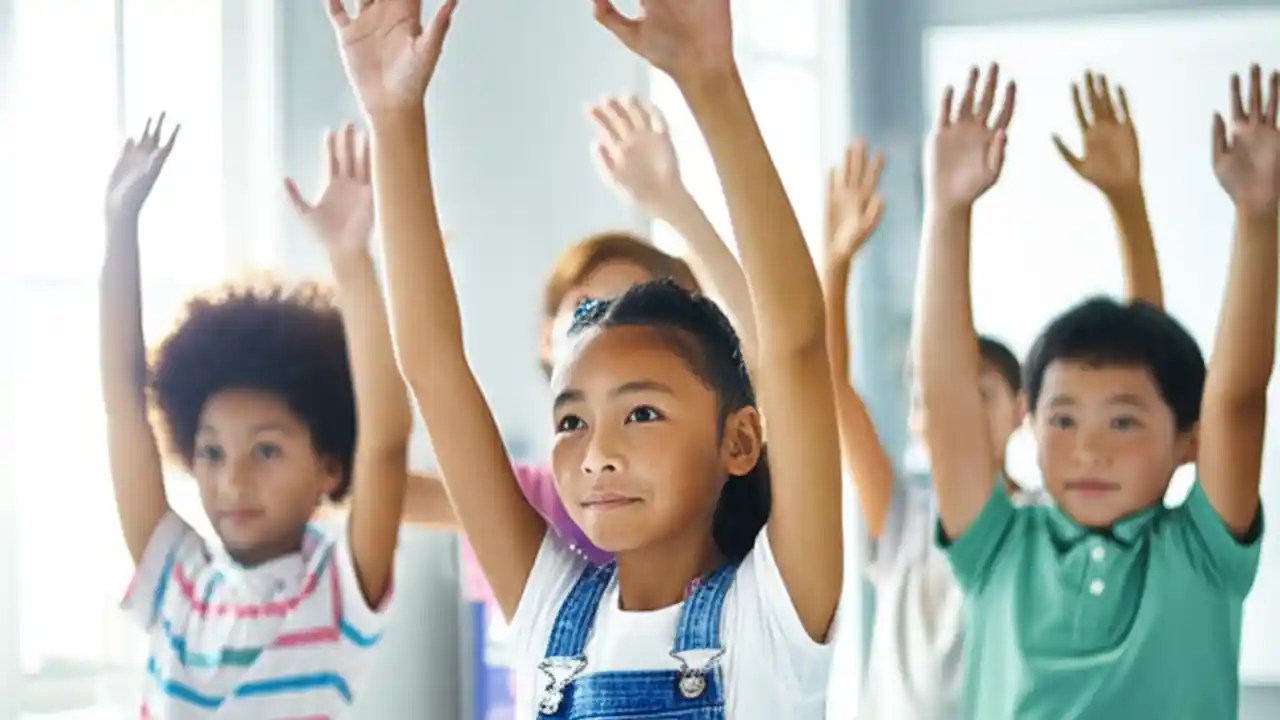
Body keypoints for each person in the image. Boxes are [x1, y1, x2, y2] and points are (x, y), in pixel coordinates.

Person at [323, 0, 843, 717]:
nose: (597, 453)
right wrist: (392, 117)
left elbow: (794, 342)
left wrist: (711, 84)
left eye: (641, 412)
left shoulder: (774, 617)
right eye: (572, 422)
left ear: (740, 439)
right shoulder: (553, 615)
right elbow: (434, 369)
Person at [916, 63, 1273, 718]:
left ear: (1191, 442)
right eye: (1062, 421)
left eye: (1124, 425)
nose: (1088, 450)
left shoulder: (1199, 554)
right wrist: (946, 211)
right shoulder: (998, 549)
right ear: (1029, 424)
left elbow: (1235, 397)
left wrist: (1258, 218)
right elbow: (947, 398)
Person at [824, 72, 1164, 719]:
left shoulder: (1055, 522)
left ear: (1022, 412)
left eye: (979, 393)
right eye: (923, 400)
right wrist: (836, 263)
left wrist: (1126, 202)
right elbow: (831, 388)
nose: (944, 409)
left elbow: (1145, 370)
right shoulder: (905, 521)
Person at [103, 117, 409, 716]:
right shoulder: (175, 580)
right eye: (212, 452)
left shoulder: (336, 590)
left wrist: (351, 260)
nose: (232, 481)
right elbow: (122, 402)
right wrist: (120, 230)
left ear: (327, 467)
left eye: (265, 450)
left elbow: (386, 443)